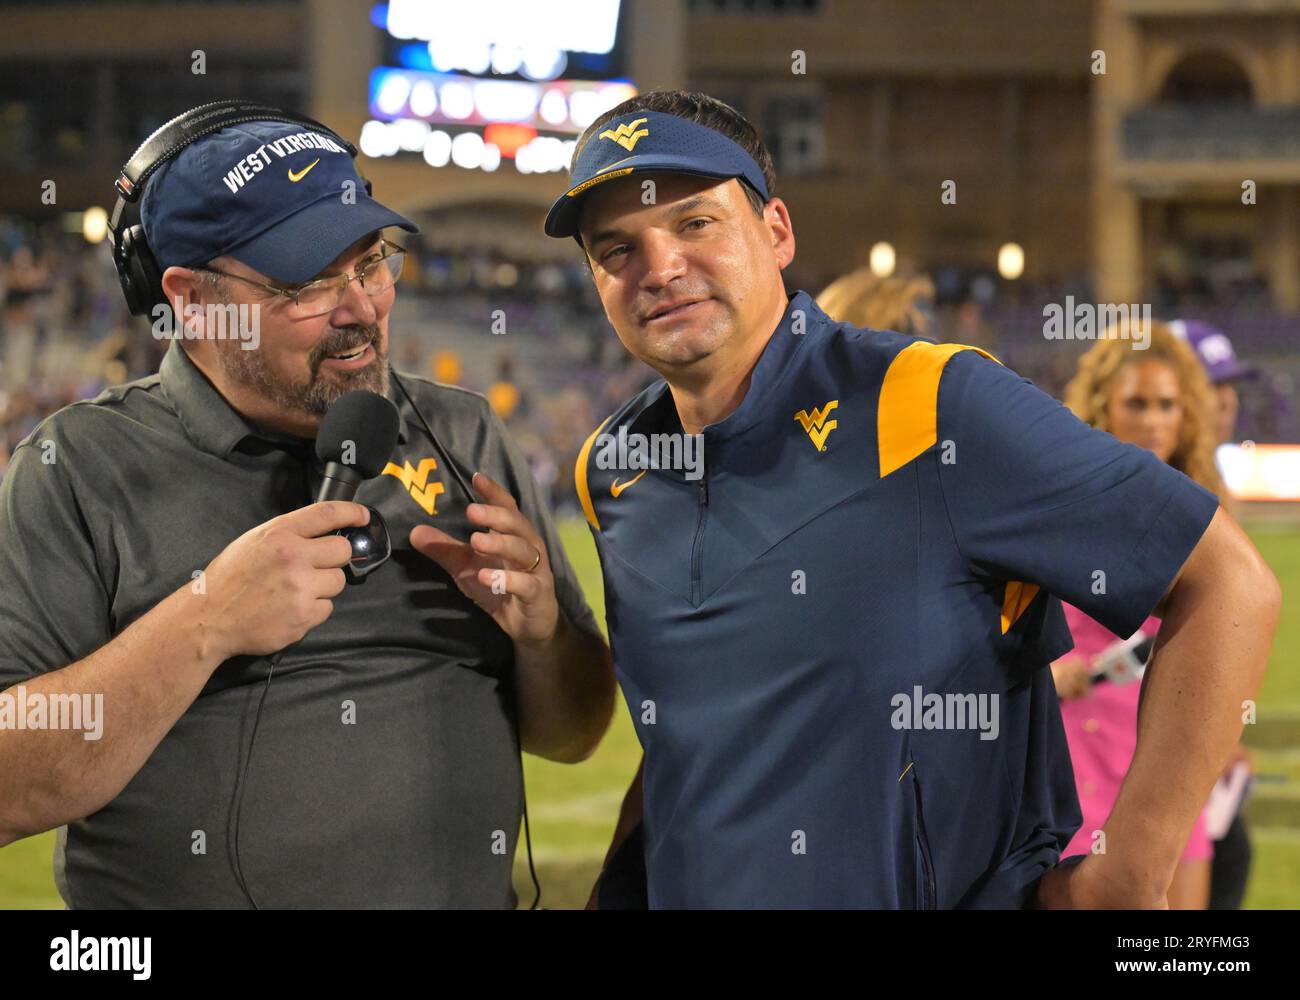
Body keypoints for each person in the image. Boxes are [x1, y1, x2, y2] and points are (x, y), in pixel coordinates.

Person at [545, 89, 1279, 908]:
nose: (660, 267)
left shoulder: (931, 402)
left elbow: (1228, 585)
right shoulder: (613, 471)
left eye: (695, 223)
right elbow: (681, 732)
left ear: (777, 230)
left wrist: (1132, 878)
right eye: (617, 251)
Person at [0, 110, 615, 908]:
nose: (360, 306)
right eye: (307, 284)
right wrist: (206, 620)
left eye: (370, 264)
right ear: (191, 300)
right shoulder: (78, 465)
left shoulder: (459, 430)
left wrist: (541, 639)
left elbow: (574, 733)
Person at [1055, 321, 1225, 908]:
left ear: (1186, 416)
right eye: (1136, 403)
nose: (1153, 420)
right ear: (1103, 406)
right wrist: (1048, 674)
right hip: (1074, 756)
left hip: (1167, 763)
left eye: (1166, 405)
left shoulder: (1208, 520)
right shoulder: (1056, 503)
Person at [1169, 318, 1259, 910]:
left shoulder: (1212, 478)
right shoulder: (1167, 484)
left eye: (1229, 385)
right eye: (1210, 384)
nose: (1226, 400)